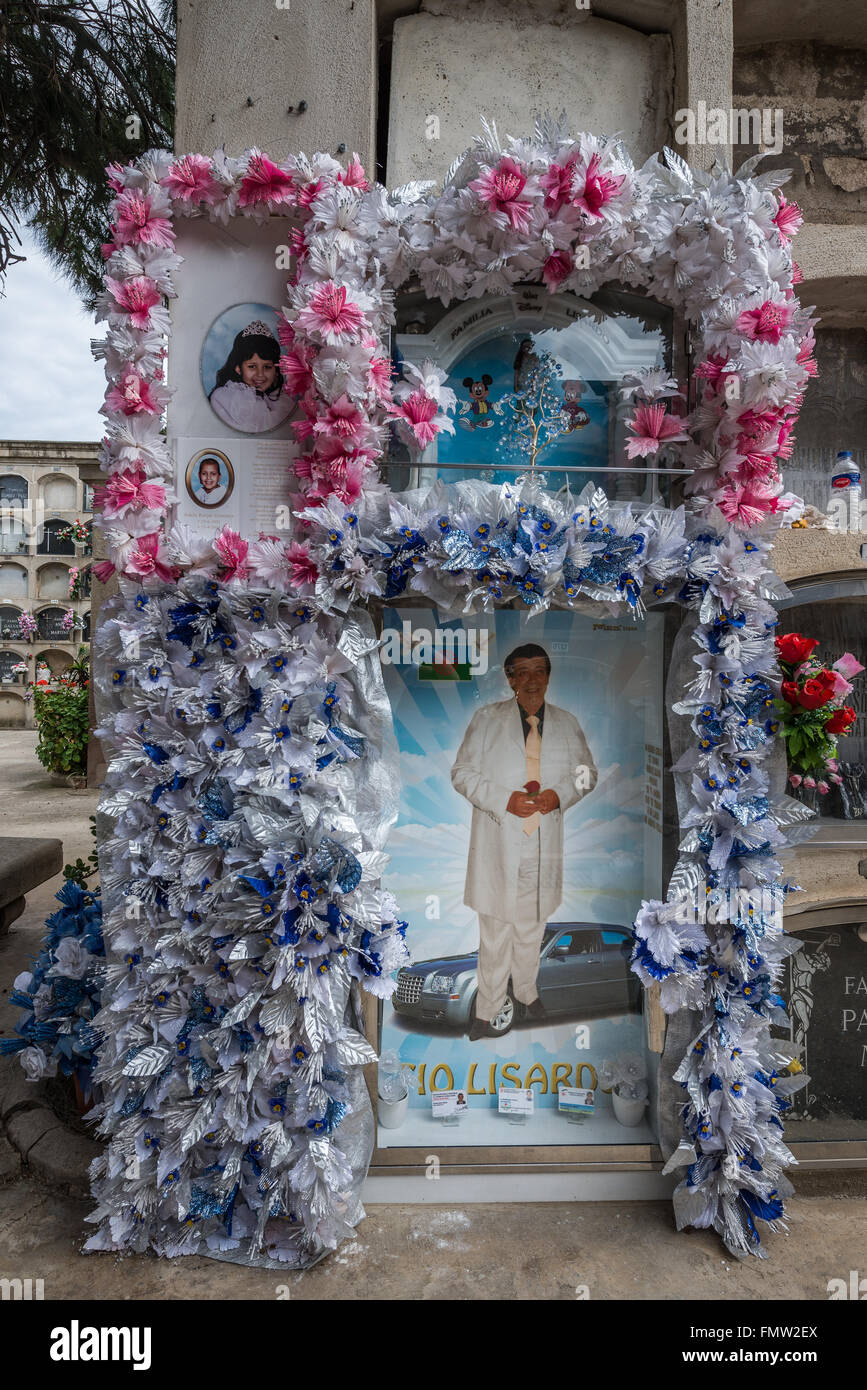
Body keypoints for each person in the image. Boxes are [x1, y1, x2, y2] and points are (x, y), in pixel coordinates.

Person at [451, 643, 597, 1041]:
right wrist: (504, 800)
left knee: (533, 929)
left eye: (539, 672)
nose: (531, 680)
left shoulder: (567, 723)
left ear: (548, 677)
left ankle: (528, 994)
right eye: (522, 673)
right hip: (499, 842)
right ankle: (487, 1011)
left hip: (541, 845)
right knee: (495, 933)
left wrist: (559, 794)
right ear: (510, 679)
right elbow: (461, 773)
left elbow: (587, 774)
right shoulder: (486, 720)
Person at [208, 319, 293, 433]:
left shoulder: (280, 401)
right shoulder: (226, 397)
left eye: (267, 367)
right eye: (252, 366)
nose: (260, 374)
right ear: (238, 368)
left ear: (276, 370)